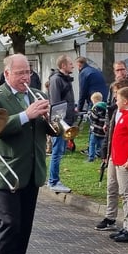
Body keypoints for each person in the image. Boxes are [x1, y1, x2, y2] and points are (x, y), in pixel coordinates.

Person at [0, 55, 53, 254]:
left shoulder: (35, 93)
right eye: (21, 72)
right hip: (8, 171)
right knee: (9, 225)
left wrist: (51, 120)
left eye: (28, 71)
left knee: (24, 227)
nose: (26, 76)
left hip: (32, 170)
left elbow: (44, 129)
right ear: (7, 73)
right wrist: (26, 115)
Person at [96, 85, 128, 243]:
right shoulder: (126, 114)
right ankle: (127, 226)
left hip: (127, 162)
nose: (115, 101)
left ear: (125, 101)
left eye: (117, 99)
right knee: (123, 194)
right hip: (118, 159)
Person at [47, 55, 76, 194]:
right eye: (70, 64)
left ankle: (54, 179)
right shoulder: (56, 79)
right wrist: (59, 122)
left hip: (67, 120)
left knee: (60, 151)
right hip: (59, 122)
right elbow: (55, 102)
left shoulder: (65, 79)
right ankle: (53, 181)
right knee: (57, 152)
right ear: (63, 66)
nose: (73, 66)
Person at [86, 92, 108, 163]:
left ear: (94, 101)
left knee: (92, 143)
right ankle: (102, 156)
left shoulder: (97, 107)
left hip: (95, 130)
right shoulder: (106, 107)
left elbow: (93, 118)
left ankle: (91, 157)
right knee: (101, 144)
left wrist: (89, 113)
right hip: (103, 130)